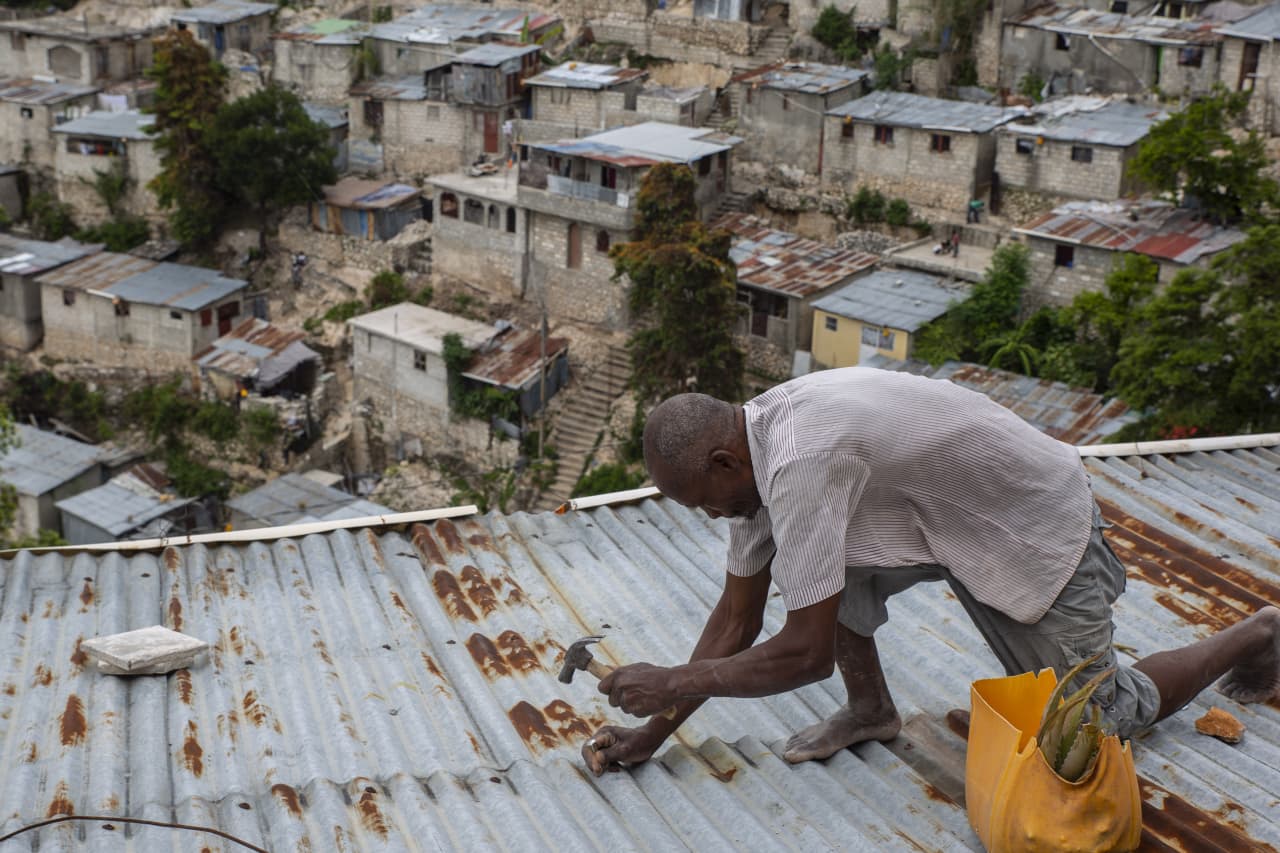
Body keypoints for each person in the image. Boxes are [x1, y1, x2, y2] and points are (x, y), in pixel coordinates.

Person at [581, 368, 1280, 775]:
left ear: (724, 463)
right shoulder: (754, 452)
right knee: (815, 562)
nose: (712, 517)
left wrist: (672, 680)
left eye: (706, 503)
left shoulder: (800, 462)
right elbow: (737, 619)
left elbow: (804, 654)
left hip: (1028, 519)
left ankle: (1255, 630)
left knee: (1103, 718)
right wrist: (650, 736)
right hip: (946, 524)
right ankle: (872, 709)